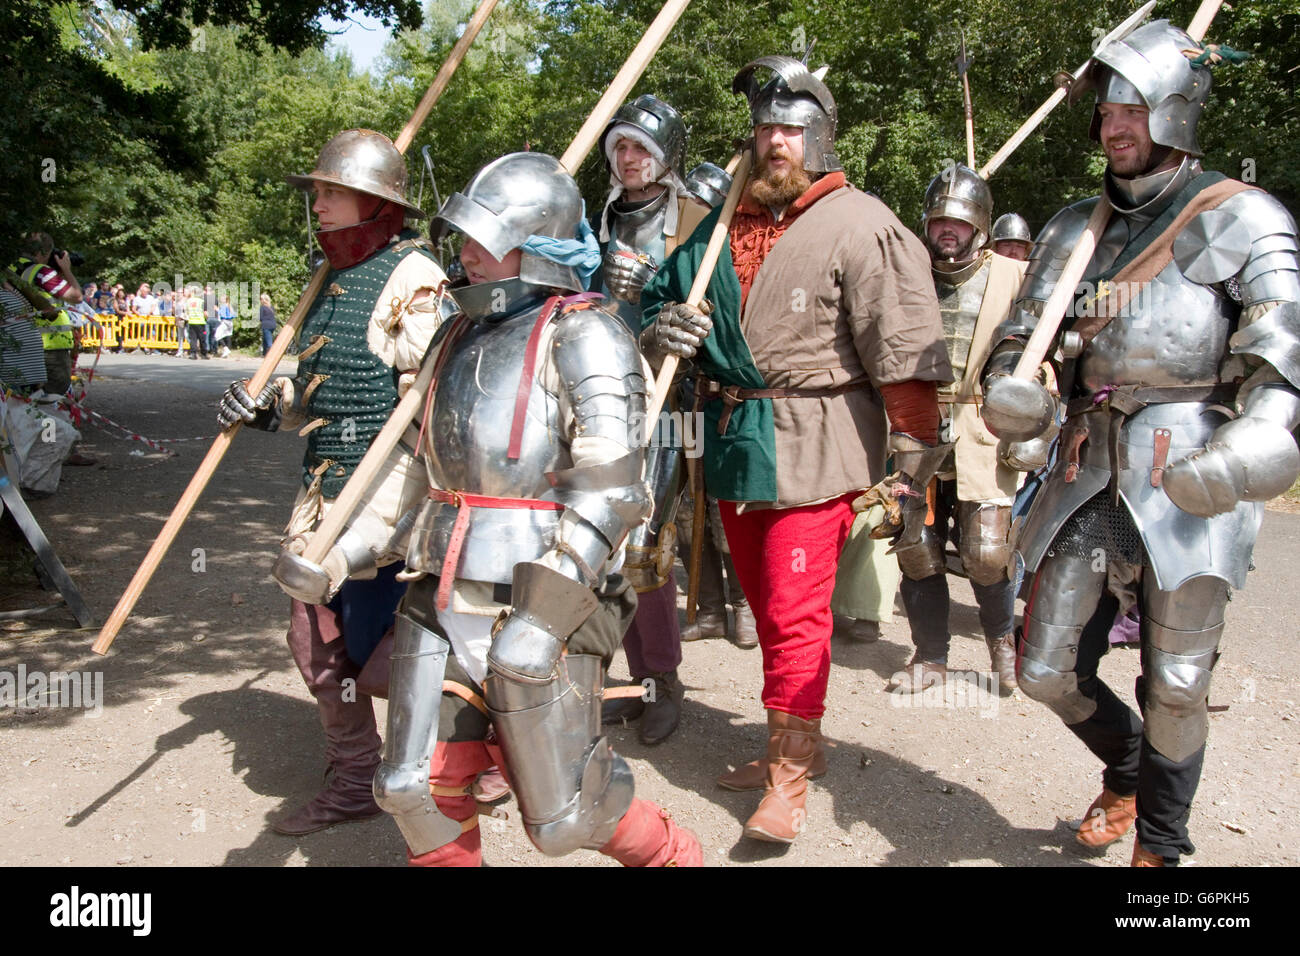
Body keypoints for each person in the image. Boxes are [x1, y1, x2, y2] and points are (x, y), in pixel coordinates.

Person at [273, 151, 702, 867]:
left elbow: (614, 488)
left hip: (551, 594)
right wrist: (339, 556)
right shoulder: (452, 335)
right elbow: (412, 468)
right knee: (408, 786)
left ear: (532, 248)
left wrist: (544, 615)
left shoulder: (588, 333)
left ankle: (675, 858)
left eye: (483, 239)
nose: (463, 253)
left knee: (565, 818)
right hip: (440, 591)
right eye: (464, 237)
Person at [981, 20, 1300, 866]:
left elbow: (1282, 356)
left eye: (1135, 109)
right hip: (1084, 465)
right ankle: (1127, 770)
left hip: (1188, 461)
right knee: (1044, 670)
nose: (1115, 126)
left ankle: (1161, 846)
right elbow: (1020, 338)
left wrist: (1249, 446)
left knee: (1180, 684)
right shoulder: (1071, 229)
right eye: (1108, 112)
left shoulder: (1245, 218)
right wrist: (1013, 386)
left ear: (1177, 114)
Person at [642, 55, 951, 843]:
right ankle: (790, 743)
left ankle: (788, 777)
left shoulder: (863, 223)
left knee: (795, 614)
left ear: (819, 137)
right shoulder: (723, 224)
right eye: (763, 126)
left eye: (789, 127)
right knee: (768, 609)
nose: (773, 140)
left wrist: (911, 477)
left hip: (816, 444)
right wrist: (658, 325)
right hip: (734, 442)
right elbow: (662, 298)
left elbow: (908, 356)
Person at [216, 129, 455, 838]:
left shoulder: (416, 276)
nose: (315, 202)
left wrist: (398, 511)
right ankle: (355, 774)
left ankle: (486, 749)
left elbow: (429, 406)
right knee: (313, 637)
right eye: (316, 190)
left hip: (391, 494)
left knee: (402, 657)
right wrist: (269, 405)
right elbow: (322, 388)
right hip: (327, 484)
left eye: (326, 190)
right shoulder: (331, 273)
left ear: (370, 201)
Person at [589, 95, 712, 744]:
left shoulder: (695, 221)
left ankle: (663, 682)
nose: (630, 159)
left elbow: (716, 308)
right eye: (622, 148)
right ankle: (625, 680)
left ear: (665, 158)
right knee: (597, 540)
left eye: (642, 148)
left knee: (645, 550)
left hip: (670, 401)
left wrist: (661, 308)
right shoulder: (601, 218)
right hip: (606, 393)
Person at [883, 165, 1029, 694]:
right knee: (914, 543)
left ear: (981, 227)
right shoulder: (907, 272)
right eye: (939, 219)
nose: (948, 229)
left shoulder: (1014, 277)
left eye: (960, 221)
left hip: (982, 423)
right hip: (912, 425)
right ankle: (930, 658)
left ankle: (1003, 649)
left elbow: (1041, 351)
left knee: (987, 552)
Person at [675, 162, 759, 650]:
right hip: (677, 403)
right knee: (685, 509)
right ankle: (705, 609)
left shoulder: (736, 258)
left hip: (722, 402)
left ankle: (742, 606)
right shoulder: (678, 256)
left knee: (728, 508)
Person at [12, 232, 82, 399]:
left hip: (21, 344)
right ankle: (47, 425)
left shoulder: (12, 268)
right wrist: (66, 269)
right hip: (50, 349)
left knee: (25, 398)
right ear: (42, 253)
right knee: (51, 398)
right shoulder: (41, 272)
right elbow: (76, 296)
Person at [184, 287, 208, 359]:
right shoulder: (202, 301)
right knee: (202, 339)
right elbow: (205, 313)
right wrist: (206, 318)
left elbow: (186, 311)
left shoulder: (188, 301)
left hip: (191, 322)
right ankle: (203, 354)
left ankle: (193, 354)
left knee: (193, 339)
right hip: (201, 322)